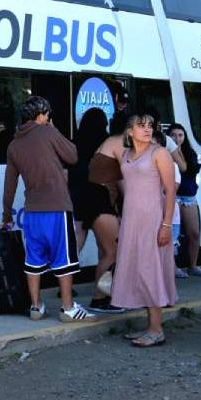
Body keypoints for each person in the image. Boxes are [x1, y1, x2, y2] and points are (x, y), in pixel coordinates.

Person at [1, 96, 95, 323]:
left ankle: (36, 307)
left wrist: (6, 214)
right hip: (57, 207)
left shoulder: (14, 145)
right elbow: (72, 155)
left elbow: (10, 183)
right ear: (41, 115)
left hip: (31, 211)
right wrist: (54, 129)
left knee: (33, 260)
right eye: (48, 115)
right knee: (64, 259)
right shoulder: (47, 132)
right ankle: (68, 308)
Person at [111, 114, 178, 347]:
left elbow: (170, 190)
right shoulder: (127, 154)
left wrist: (166, 225)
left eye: (150, 126)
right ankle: (150, 326)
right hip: (132, 220)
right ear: (130, 131)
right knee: (136, 268)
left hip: (153, 219)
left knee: (151, 270)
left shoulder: (159, 153)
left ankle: (156, 329)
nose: (147, 129)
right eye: (141, 126)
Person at [69, 108, 124, 314]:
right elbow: (116, 178)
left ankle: (65, 287)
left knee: (74, 249)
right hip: (100, 200)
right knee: (110, 252)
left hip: (78, 200)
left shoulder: (74, 144)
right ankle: (100, 297)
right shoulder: (107, 143)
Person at [169, 123, 201, 277]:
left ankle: (193, 265)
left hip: (189, 197)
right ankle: (173, 267)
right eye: (173, 135)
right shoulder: (165, 152)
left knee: (194, 233)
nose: (177, 138)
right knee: (173, 236)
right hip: (173, 196)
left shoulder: (190, 152)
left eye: (180, 135)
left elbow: (190, 172)